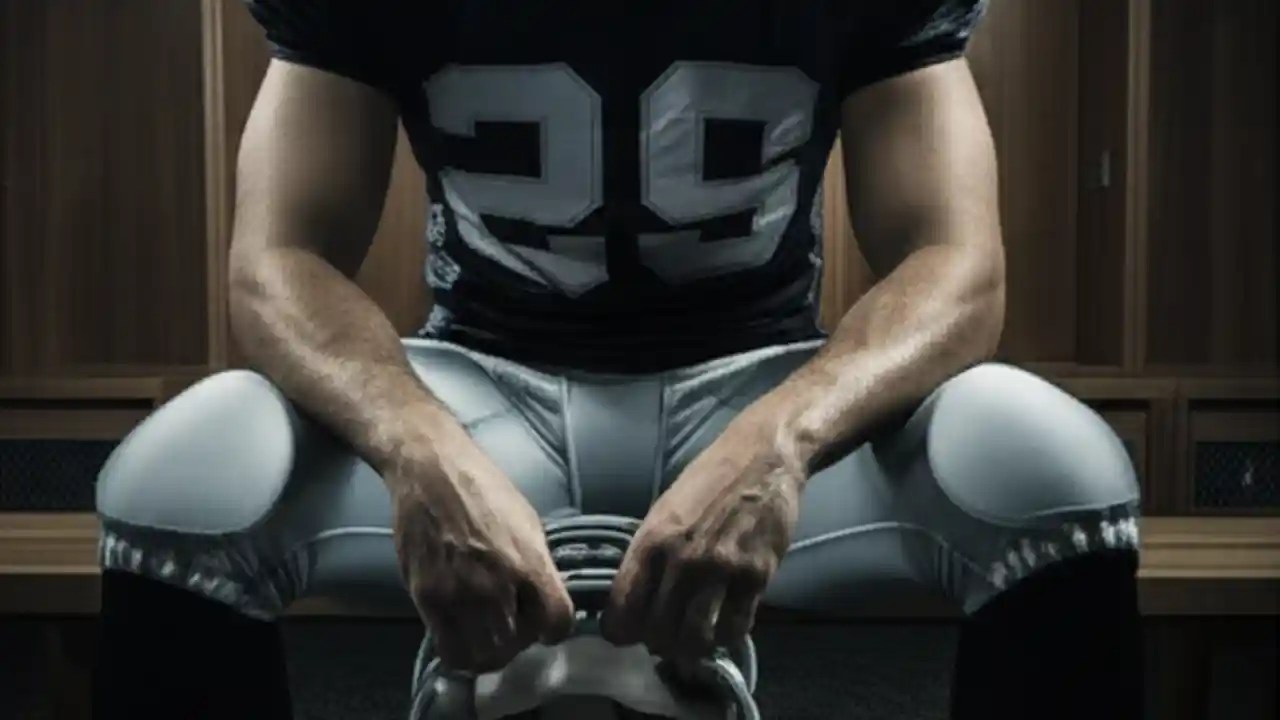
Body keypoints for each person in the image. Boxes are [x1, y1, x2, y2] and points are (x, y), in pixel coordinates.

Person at [93, 1, 1144, 718]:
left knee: (1050, 463)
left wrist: (777, 447)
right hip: (484, 396)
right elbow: (276, 257)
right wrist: (419, 451)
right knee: (184, 471)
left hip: (760, 384)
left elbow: (955, 261)